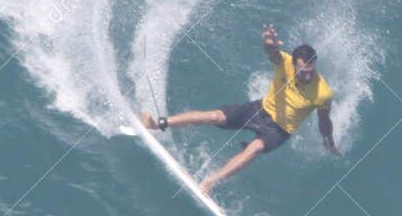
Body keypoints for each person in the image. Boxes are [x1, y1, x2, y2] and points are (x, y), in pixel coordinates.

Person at [142, 23, 338, 195]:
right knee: (214, 116)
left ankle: (210, 182)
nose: (306, 76)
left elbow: (324, 121)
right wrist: (268, 44)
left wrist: (328, 141)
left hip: (279, 130)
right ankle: (158, 124)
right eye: (302, 71)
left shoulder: (322, 92)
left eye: (310, 71)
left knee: (256, 148)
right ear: (294, 64)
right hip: (259, 109)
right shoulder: (285, 62)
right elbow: (272, 53)